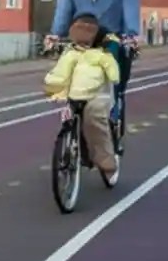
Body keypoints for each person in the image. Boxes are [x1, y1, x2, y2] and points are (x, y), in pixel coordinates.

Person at [46, 0, 141, 126]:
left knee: (114, 73)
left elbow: (130, 9)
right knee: (68, 66)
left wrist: (131, 35)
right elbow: (63, 12)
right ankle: (70, 110)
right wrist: (55, 35)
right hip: (81, 39)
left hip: (110, 39)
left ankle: (112, 115)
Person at [43, 13, 120, 183]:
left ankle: (107, 162)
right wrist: (52, 86)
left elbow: (114, 72)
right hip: (74, 94)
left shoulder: (103, 50)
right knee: (69, 115)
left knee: (95, 120)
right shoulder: (71, 51)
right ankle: (72, 146)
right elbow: (61, 71)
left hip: (97, 94)